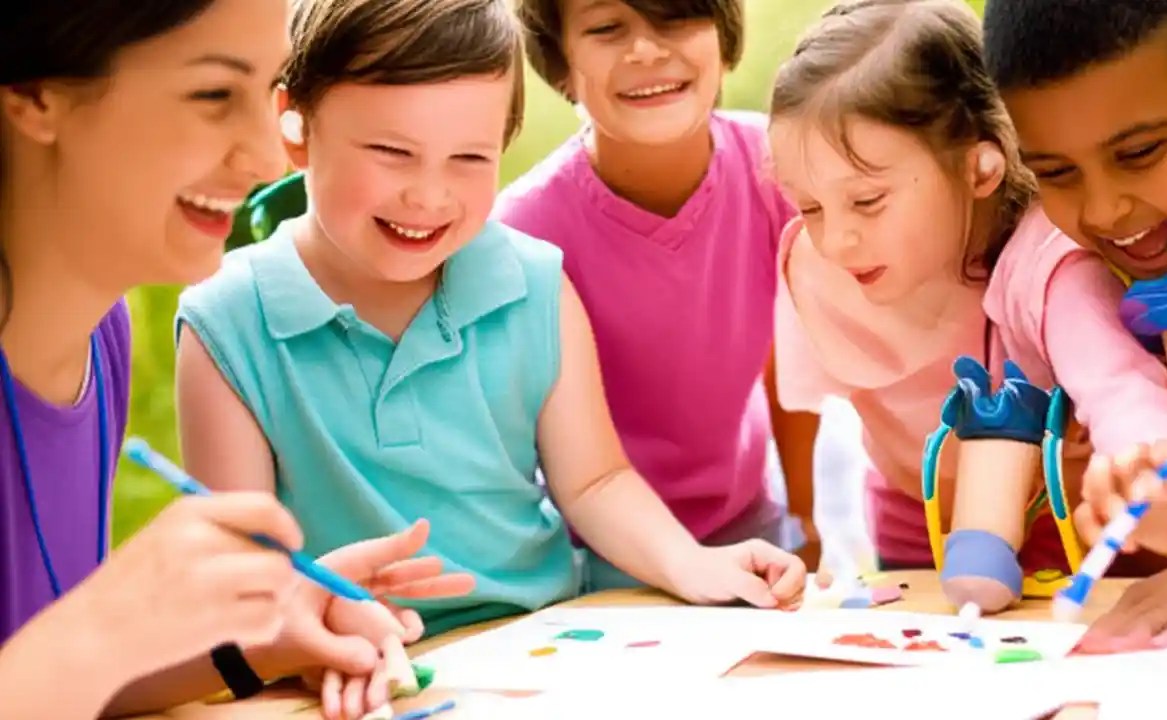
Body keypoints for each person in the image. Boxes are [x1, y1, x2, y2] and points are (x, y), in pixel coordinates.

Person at [173, 0, 806, 691]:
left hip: (546, 637)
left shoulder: (533, 282)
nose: (429, 195)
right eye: (391, 153)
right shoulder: (225, 324)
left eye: (470, 158)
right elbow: (246, 571)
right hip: (348, 665)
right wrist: (313, 641)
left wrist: (693, 563)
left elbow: (595, 481)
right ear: (295, 127)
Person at [0, 3, 474, 719]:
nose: (263, 156)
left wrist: (261, 636)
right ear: (35, 95)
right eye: (214, 95)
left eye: (268, 91)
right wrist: (102, 625)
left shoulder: (100, 336)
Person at [767, 0, 1167, 610]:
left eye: (867, 201)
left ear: (980, 167)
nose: (835, 239)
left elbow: (1120, 388)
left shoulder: (1047, 264)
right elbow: (802, 397)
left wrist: (1141, 468)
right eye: (808, 206)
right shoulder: (816, 266)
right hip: (920, 532)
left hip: (1090, 541)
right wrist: (802, 522)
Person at [491, 0, 820, 588]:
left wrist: (803, 512)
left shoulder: (777, 172)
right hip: (593, 555)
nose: (645, 49)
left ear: (722, 36)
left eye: (673, 16)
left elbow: (792, 359)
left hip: (745, 526)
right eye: (606, 28)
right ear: (561, 62)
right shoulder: (524, 230)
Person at [984, 0, 1167, 649]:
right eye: (1056, 173)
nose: (1105, 210)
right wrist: (1148, 478)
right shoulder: (1068, 260)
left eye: (1140, 152)